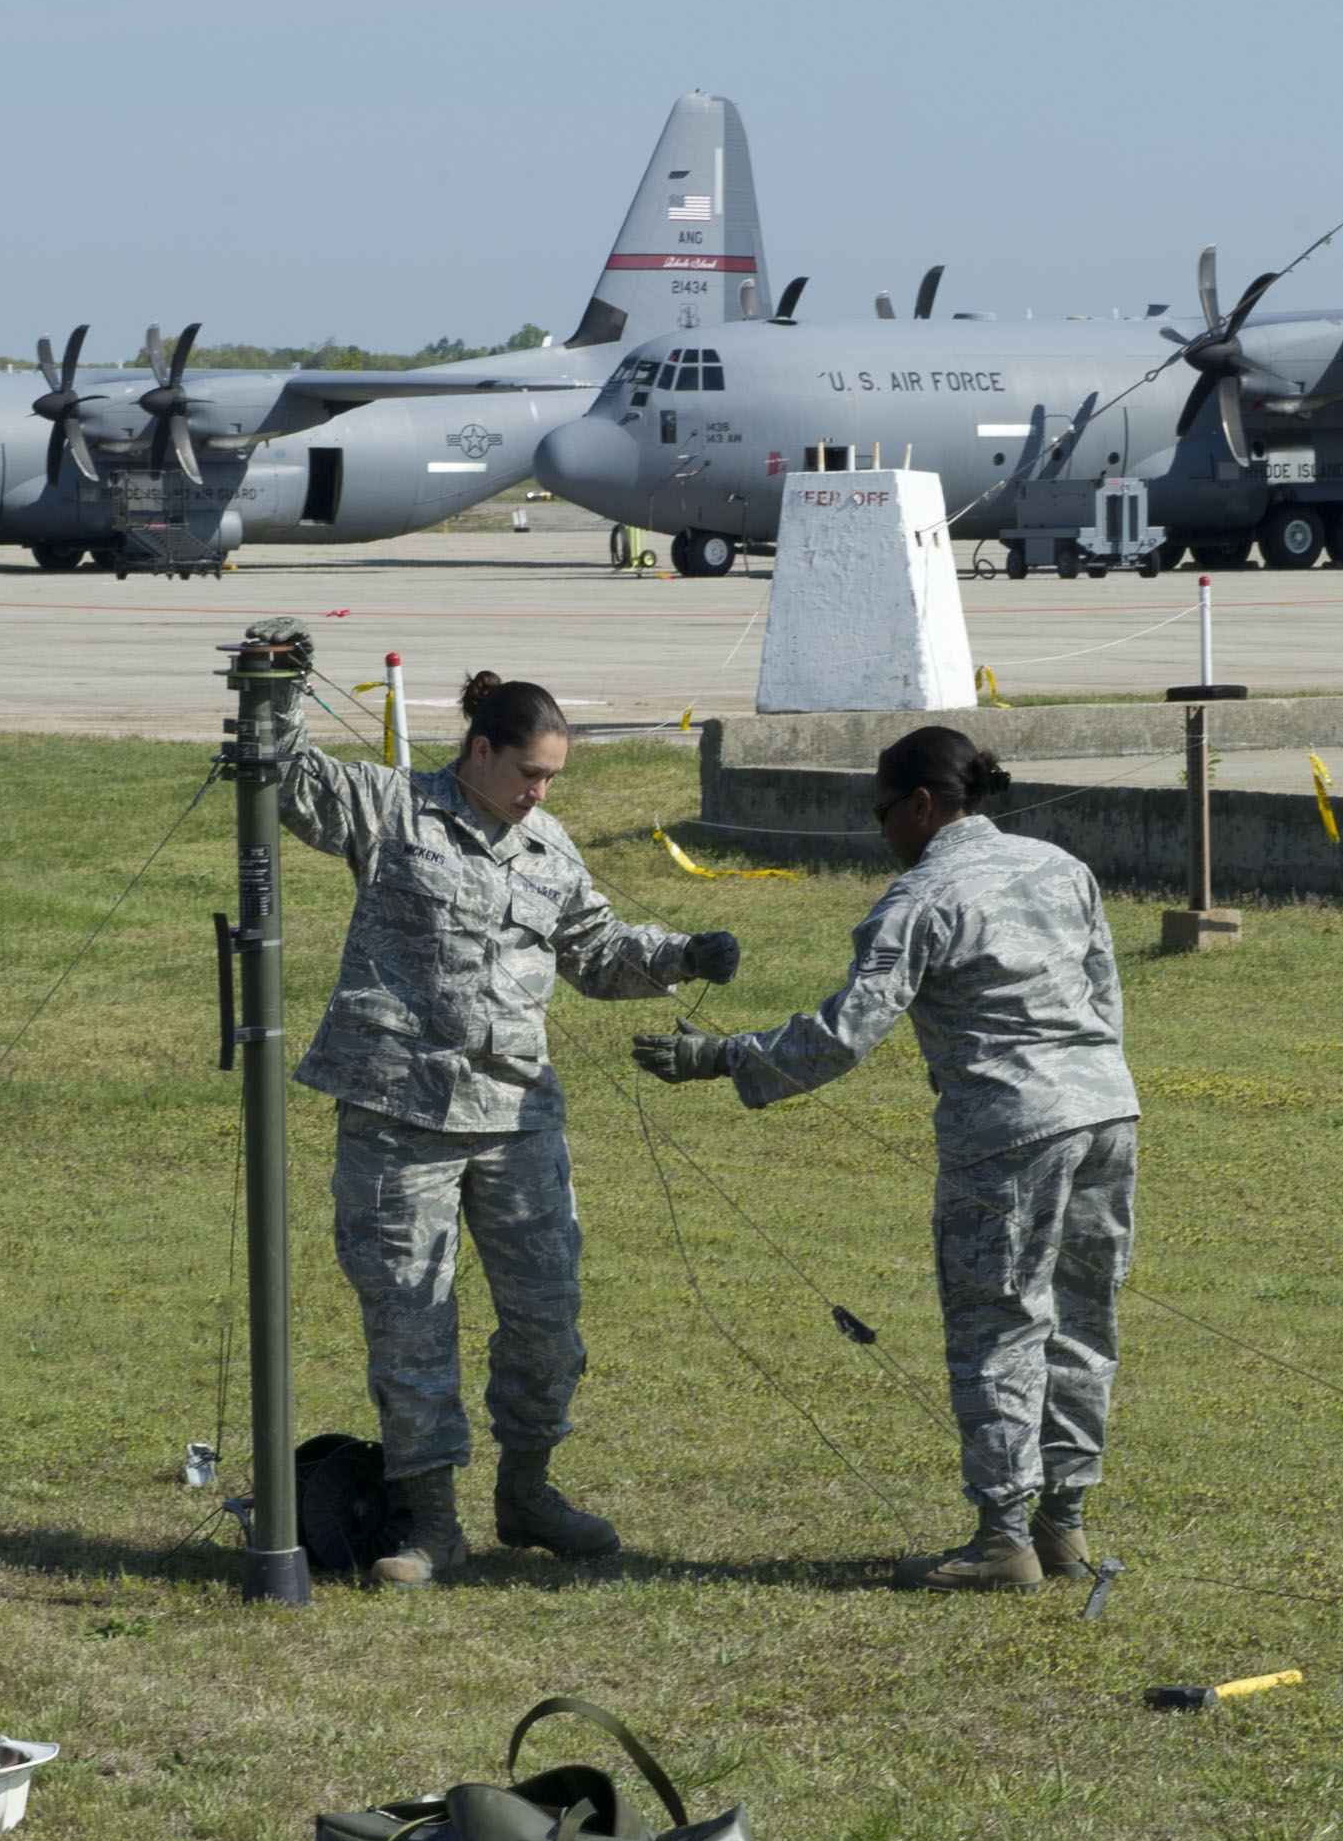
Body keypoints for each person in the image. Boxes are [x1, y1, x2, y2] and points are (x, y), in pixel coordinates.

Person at [634, 727, 1138, 1592]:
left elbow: (840, 1036)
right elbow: (1104, 993)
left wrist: (718, 1056)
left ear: (922, 804)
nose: (879, 831)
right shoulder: (1062, 866)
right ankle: (1067, 1527)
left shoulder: (918, 898)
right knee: (1081, 1325)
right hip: (1106, 1112)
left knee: (998, 1326)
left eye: (881, 812)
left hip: (1007, 1134)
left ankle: (1002, 1539)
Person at [284, 667, 742, 1584]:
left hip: (516, 1116)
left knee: (546, 1320)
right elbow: (290, 780)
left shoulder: (548, 846)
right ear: (479, 749)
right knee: (412, 1319)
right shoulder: (393, 809)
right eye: (528, 772)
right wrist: (275, 694)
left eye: (552, 780)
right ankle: (434, 1525)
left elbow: (598, 951)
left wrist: (679, 955)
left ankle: (527, 1494)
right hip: (397, 1112)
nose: (538, 792)